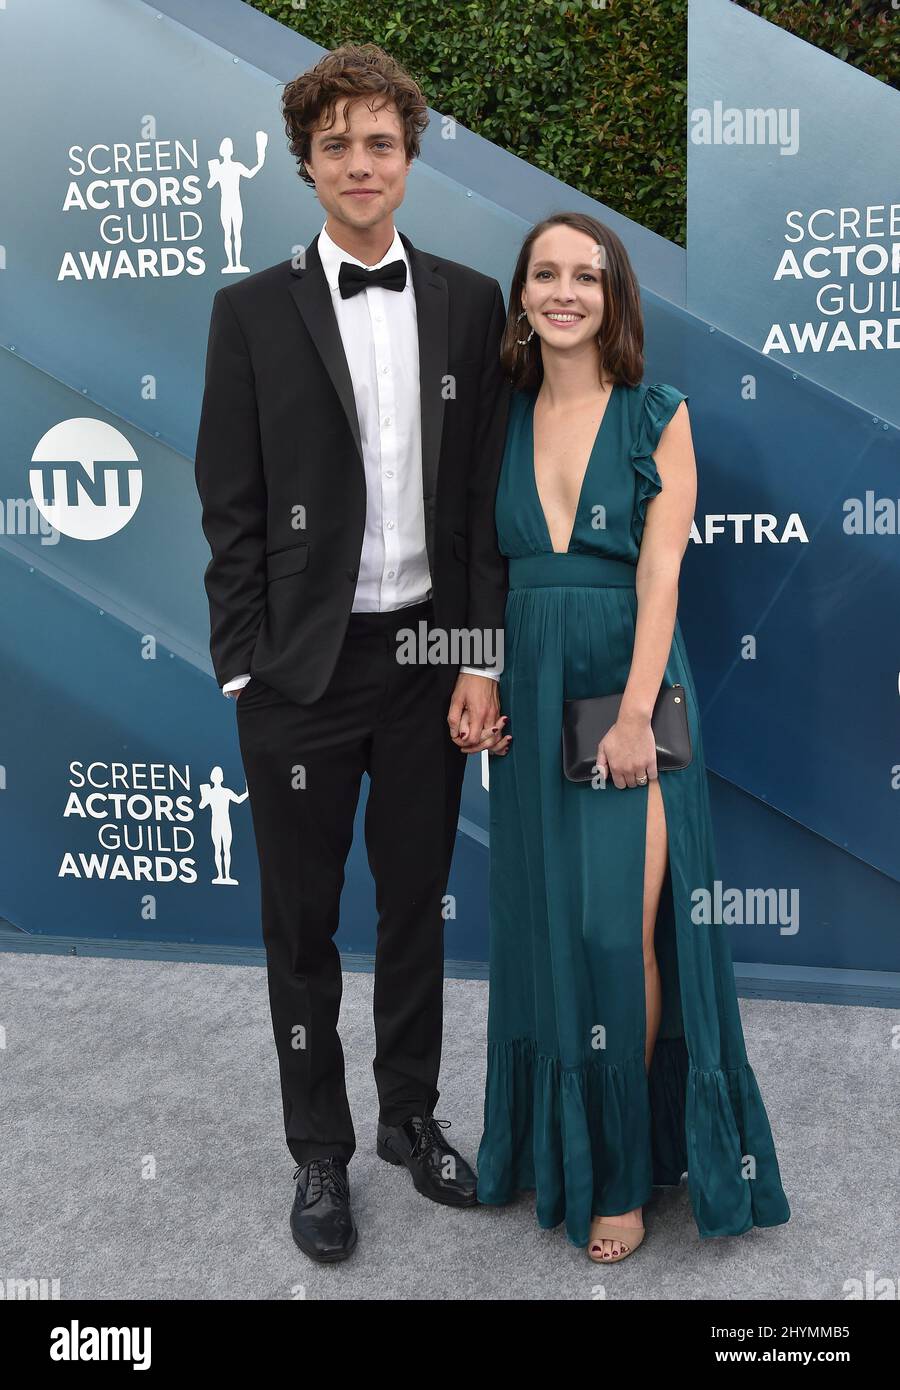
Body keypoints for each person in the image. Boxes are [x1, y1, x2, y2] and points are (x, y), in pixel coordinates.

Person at [194, 43, 510, 1263]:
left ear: (411, 155)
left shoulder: (473, 302)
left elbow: (482, 504)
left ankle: (410, 1118)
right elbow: (230, 503)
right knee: (303, 924)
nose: (361, 163)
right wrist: (244, 664)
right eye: (338, 145)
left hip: (430, 656)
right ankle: (317, 1150)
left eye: (381, 142)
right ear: (307, 163)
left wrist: (478, 657)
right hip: (299, 675)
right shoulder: (247, 312)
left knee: (418, 908)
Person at [476, 211, 791, 1261]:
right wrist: (481, 671)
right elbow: (476, 564)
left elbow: (661, 575)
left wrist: (630, 714)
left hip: (631, 683)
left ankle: (621, 1174)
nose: (565, 291)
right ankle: (558, 1146)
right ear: (522, 294)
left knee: (622, 932)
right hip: (529, 678)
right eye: (545, 274)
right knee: (552, 931)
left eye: (588, 276)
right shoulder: (497, 415)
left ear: (615, 299)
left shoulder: (658, 413)